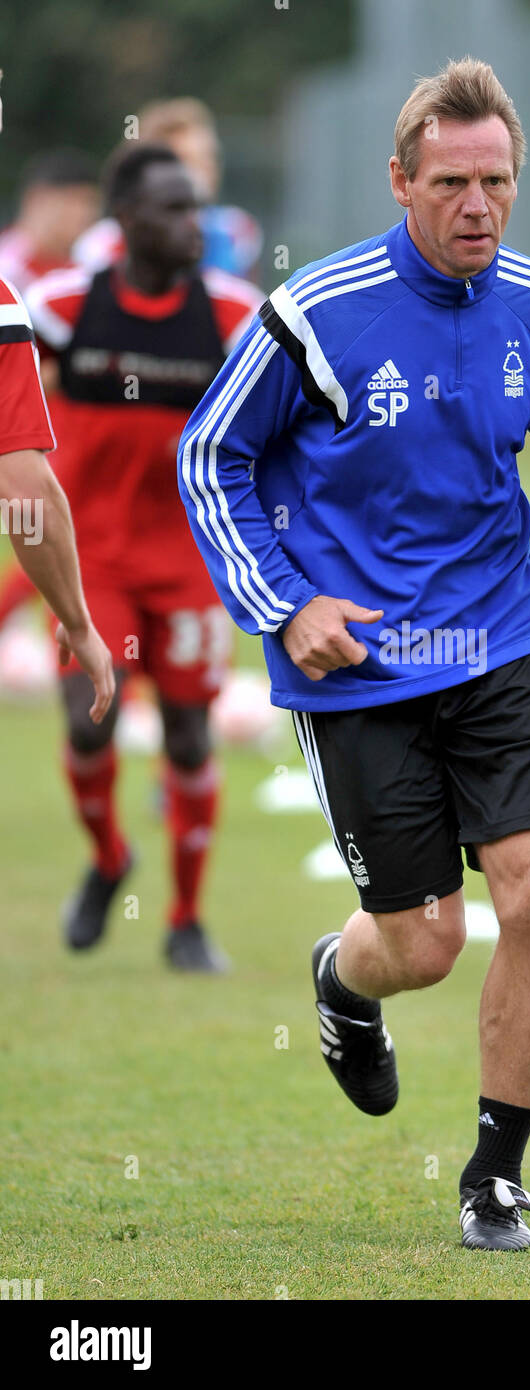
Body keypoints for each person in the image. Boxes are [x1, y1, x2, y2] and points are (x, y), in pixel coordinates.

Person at [177, 58, 530, 1247]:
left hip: (502, 638)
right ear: (400, 181)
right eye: (450, 182)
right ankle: (343, 977)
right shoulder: (316, 313)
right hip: (360, 665)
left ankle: (493, 1172)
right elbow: (209, 459)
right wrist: (284, 607)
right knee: (424, 943)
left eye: (496, 182)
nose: (477, 205)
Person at [27, 143, 261, 971]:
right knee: (88, 729)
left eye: (195, 207)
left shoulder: (235, 316)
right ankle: (106, 858)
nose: (192, 224)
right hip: (92, 566)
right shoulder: (60, 309)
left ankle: (187, 920)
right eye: (171, 209)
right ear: (125, 223)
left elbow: (292, 423)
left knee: (191, 738)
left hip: (194, 567)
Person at [0, 72, 113, 724]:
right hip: (37, 447)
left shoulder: (81, 273)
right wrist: (77, 621)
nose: (78, 218)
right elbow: (27, 500)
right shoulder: (12, 282)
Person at [73, 98, 262, 280]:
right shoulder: (100, 246)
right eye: (187, 159)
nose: (206, 169)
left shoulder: (235, 231)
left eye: (210, 157)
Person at [0, 147, 100, 292]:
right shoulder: (7, 269)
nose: (84, 213)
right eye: (72, 201)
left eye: (91, 203)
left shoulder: (92, 270)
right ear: (36, 199)